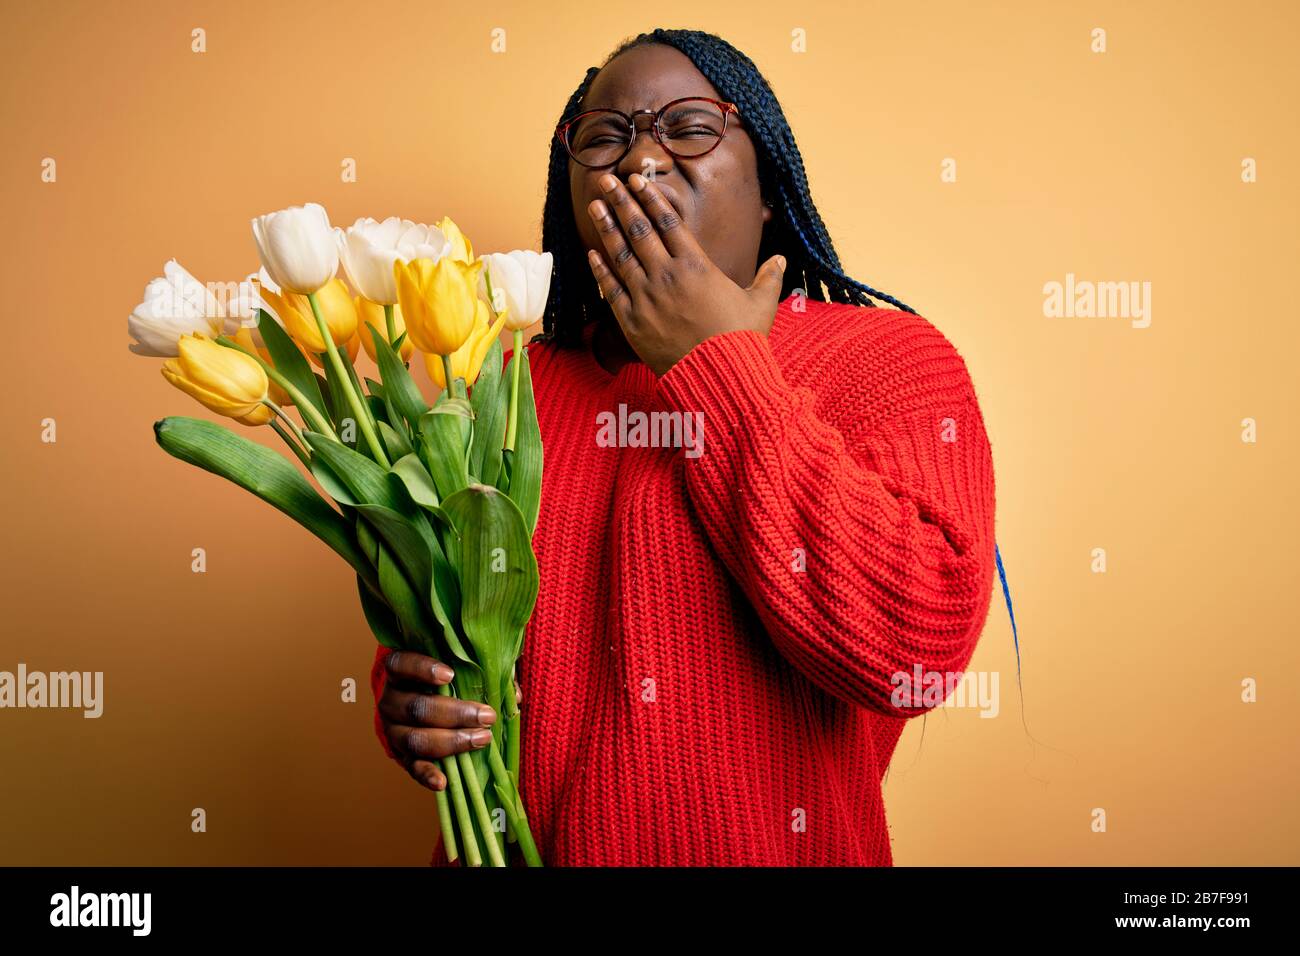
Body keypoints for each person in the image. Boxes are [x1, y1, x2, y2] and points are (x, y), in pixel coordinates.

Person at [371, 27, 1001, 866]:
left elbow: (907, 648)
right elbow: (445, 621)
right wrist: (413, 698)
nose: (639, 163)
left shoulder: (888, 361)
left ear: (769, 183)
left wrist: (714, 365)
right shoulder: (500, 384)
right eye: (604, 137)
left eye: (690, 128)